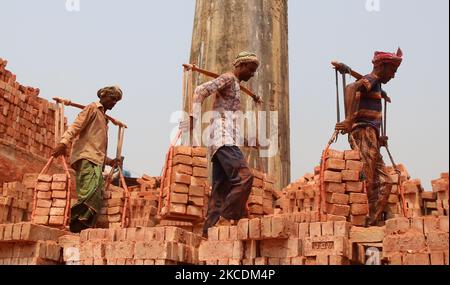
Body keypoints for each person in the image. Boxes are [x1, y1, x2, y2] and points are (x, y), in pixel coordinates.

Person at [184, 51, 263, 237]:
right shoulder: (228, 78)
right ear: (241, 66)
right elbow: (200, 90)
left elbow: (230, 123)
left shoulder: (235, 86)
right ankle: (227, 219)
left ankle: (207, 235)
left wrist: (248, 141)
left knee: (219, 194)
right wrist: (194, 116)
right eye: (251, 70)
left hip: (223, 142)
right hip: (222, 140)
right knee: (245, 177)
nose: (252, 74)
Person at [336, 48, 403, 226]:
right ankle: (359, 221)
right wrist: (349, 120)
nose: (393, 76)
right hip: (363, 131)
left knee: (384, 182)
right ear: (382, 66)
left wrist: (378, 138)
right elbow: (351, 87)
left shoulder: (376, 84)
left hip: (371, 133)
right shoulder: (371, 79)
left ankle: (369, 220)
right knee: (367, 176)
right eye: (392, 71)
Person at [52, 86, 123, 233]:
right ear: (103, 96)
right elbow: (75, 127)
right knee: (88, 194)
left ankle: (85, 229)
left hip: (96, 161)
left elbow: (96, 146)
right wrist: (63, 143)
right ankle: (76, 227)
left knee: (96, 194)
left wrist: (110, 162)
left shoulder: (104, 119)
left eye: (116, 100)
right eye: (112, 98)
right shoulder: (92, 108)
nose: (114, 102)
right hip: (86, 158)